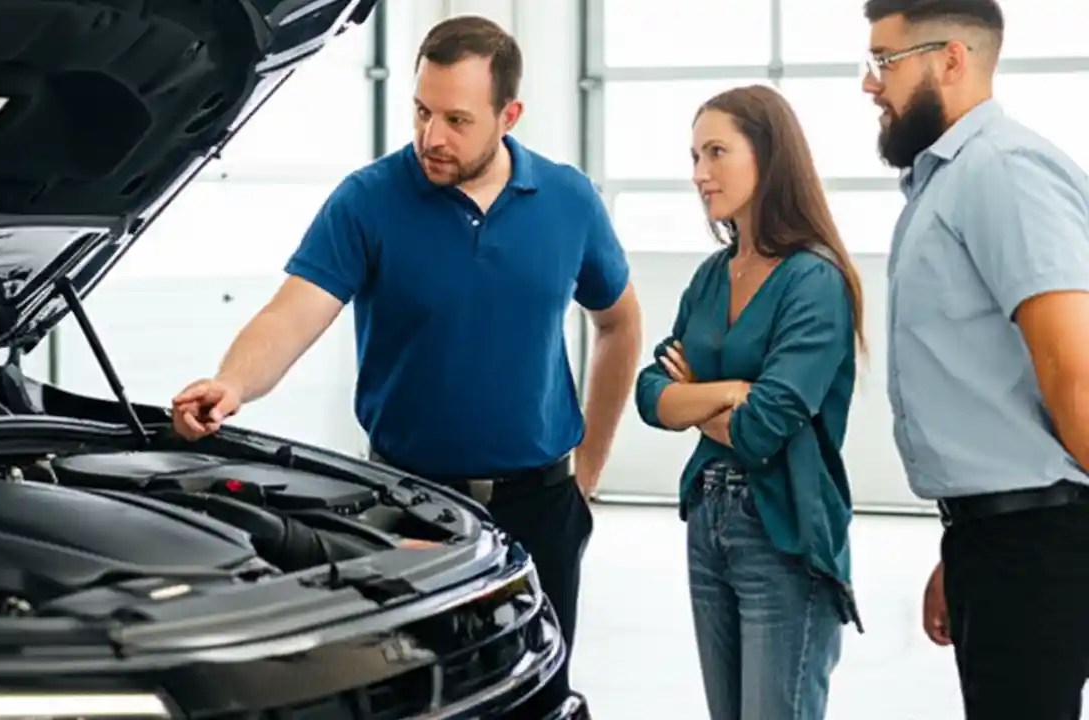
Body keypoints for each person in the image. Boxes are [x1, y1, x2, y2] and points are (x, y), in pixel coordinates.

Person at [170, 14, 642, 715]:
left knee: (537, 701)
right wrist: (232, 381)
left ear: (509, 116)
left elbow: (619, 322)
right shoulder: (369, 199)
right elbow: (291, 314)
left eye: (457, 120)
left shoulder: (568, 199)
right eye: (422, 111)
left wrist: (589, 474)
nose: (431, 137)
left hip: (541, 510)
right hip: (407, 508)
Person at [861, 1, 1089, 717]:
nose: (870, 83)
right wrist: (962, 538)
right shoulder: (951, 179)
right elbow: (994, 395)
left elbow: (1074, 373)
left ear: (950, 59)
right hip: (999, 535)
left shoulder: (1002, 171)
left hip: (1037, 544)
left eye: (884, 61)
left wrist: (1009, 534)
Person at [634, 84, 865, 720]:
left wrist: (695, 399)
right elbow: (650, 393)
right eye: (694, 156)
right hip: (707, 519)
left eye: (716, 152)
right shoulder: (713, 274)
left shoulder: (814, 280)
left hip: (782, 529)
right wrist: (731, 392)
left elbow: (763, 426)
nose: (699, 174)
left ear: (769, 155)